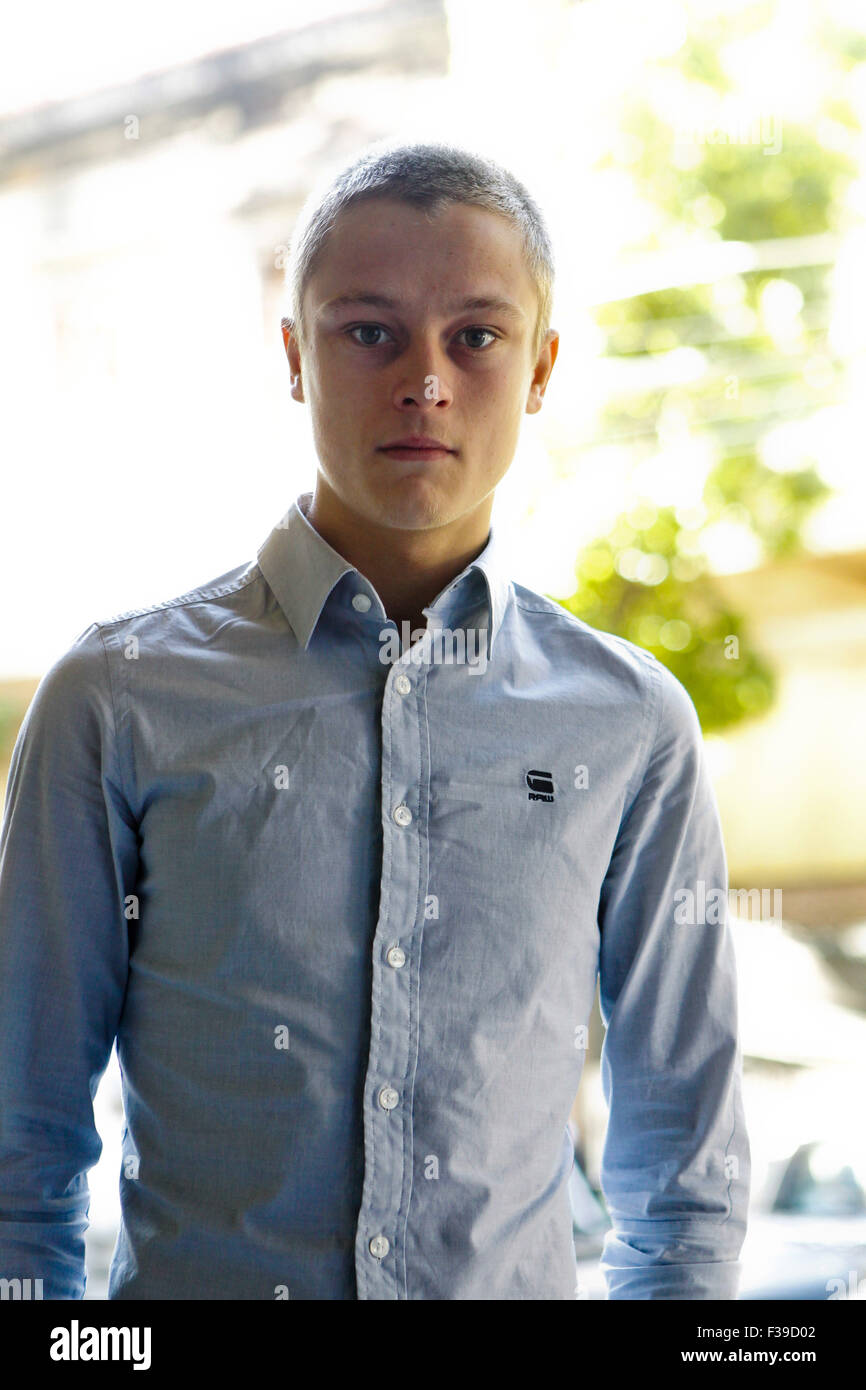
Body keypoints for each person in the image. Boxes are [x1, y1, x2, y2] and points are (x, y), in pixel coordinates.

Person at [0, 140, 749, 1300]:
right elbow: (20, 1141)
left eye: (477, 336)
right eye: (368, 331)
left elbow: (683, 1168)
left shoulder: (631, 725)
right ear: (296, 357)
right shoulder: (117, 698)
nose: (426, 380)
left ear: (542, 367)